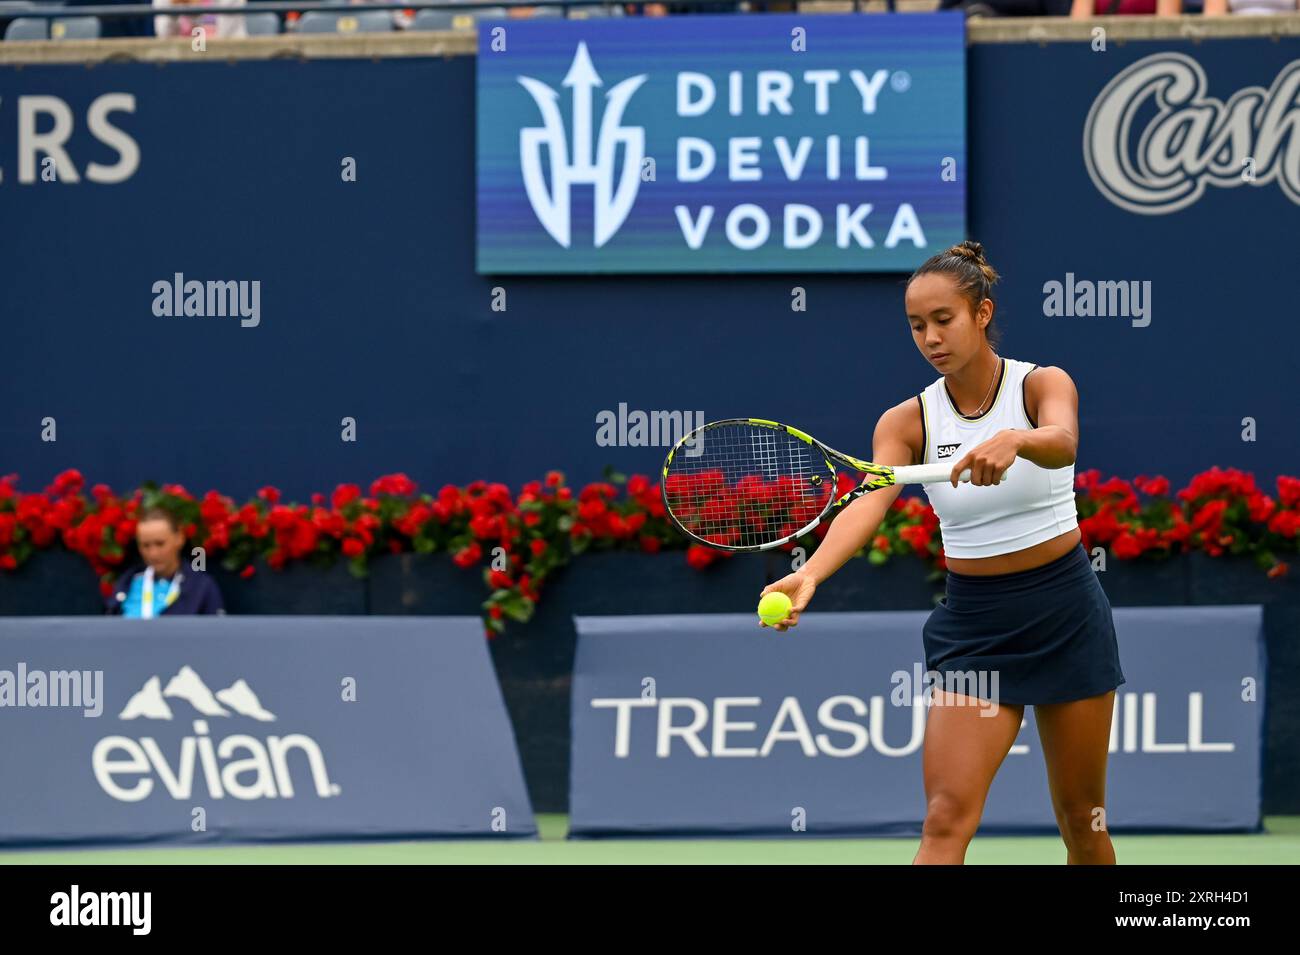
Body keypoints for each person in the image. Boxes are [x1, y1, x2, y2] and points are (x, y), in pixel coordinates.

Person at [760, 241, 1125, 865]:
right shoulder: (905, 423)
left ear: (982, 314)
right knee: (945, 818)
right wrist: (810, 574)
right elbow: (870, 501)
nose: (930, 337)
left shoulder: (1041, 384)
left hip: (1067, 613)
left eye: (944, 320)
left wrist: (1018, 441)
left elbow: (1062, 442)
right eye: (916, 325)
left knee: (1081, 822)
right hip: (976, 627)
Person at [106, 506, 225, 617]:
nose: (153, 553)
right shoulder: (128, 581)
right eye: (145, 545)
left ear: (179, 538)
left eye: (160, 544)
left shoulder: (201, 587)